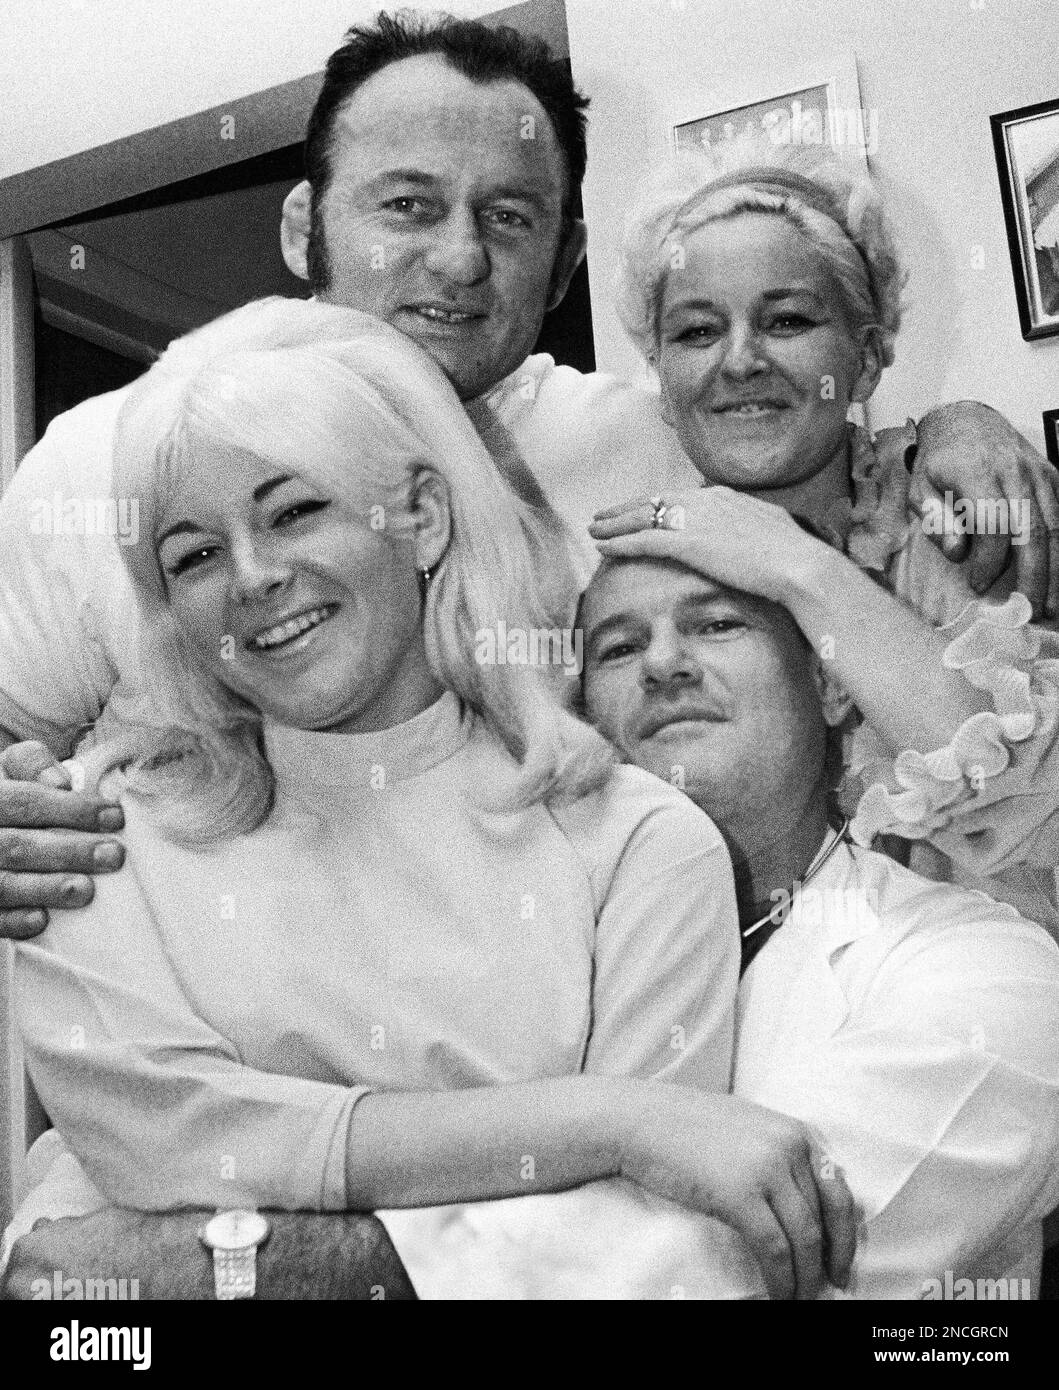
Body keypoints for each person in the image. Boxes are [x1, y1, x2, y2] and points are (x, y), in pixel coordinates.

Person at [0, 10, 1056, 940]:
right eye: (408, 205)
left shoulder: (647, 447)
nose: (461, 258)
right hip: (243, 1076)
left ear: (564, 263)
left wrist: (951, 432)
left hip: (585, 1029)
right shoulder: (108, 462)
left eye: (508, 217)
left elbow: (803, 454)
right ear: (301, 226)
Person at [1, 297, 859, 1303]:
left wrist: (206, 1263)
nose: (254, 577)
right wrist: (608, 1120)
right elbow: (175, 1139)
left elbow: (636, 1254)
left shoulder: (639, 841)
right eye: (192, 554)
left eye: (294, 511)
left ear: (424, 517)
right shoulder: (82, 833)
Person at [361, 536, 1057, 1300]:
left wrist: (290, 1263)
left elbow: (701, 1261)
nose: (664, 664)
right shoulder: (506, 942)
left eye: (717, 625)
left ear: (829, 688)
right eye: (619, 647)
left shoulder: (983, 971)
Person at [603, 136, 1059, 930]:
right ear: (661, 377)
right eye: (696, 332)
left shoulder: (960, 521)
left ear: (869, 356)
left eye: (786, 320)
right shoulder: (638, 570)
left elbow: (1038, 806)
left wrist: (796, 567)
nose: (740, 361)